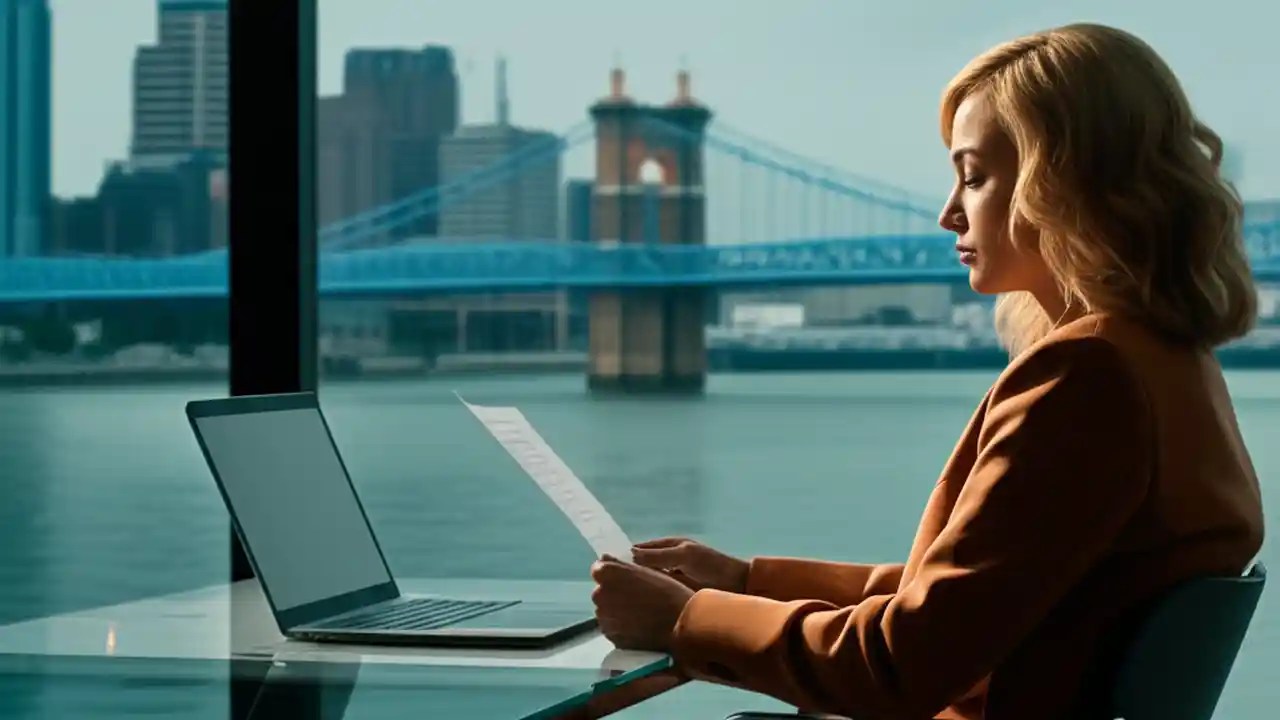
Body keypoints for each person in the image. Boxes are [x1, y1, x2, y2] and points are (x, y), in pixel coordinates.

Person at [589, 22, 1266, 720]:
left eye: (972, 176)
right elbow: (972, 602)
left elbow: (899, 667)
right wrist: (744, 581)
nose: (947, 213)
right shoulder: (1168, 362)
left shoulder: (1087, 378)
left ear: (1060, 183)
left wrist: (685, 621)